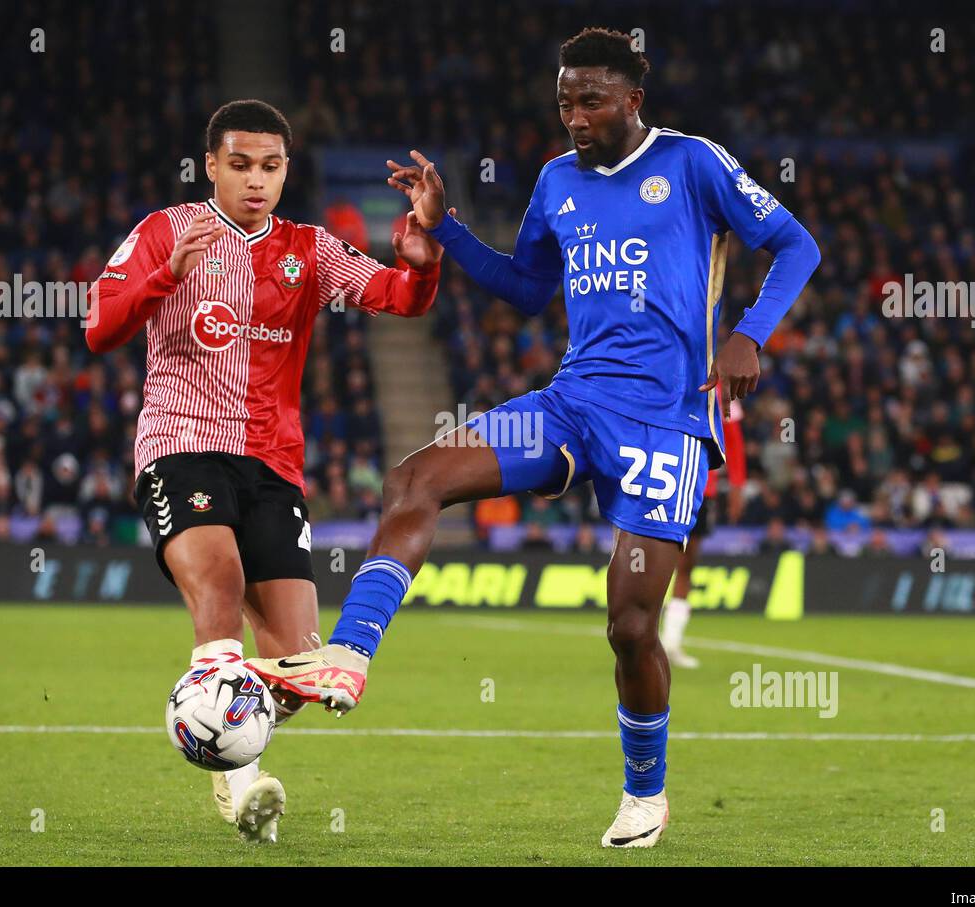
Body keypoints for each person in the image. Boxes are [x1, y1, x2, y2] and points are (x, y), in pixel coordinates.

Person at [249, 28, 819, 848]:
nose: (574, 116)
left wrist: (751, 334)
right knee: (415, 479)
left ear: (633, 100)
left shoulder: (693, 163)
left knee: (629, 625)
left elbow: (798, 243)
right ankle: (349, 653)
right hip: (571, 404)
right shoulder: (557, 180)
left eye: (591, 100)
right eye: (564, 102)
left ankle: (645, 794)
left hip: (667, 419)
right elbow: (524, 287)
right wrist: (443, 229)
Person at [85, 99, 443, 842]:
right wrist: (160, 282)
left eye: (271, 167)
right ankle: (244, 784)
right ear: (211, 164)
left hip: (273, 466)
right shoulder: (165, 231)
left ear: (286, 172)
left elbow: (398, 298)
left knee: (296, 669)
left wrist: (423, 259)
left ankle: (222, 739)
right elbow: (98, 326)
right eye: (240, 164)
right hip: (182, 444)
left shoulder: (308, 249)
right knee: (218, 585)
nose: (256, 180)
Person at [659, 398, 745, 668]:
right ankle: (643, 638)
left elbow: (733, 440)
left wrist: (737, 487)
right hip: (664, 479)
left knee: (686, 565)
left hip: (700, 488)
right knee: (654, 562)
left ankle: (670, 642)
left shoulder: (724, 386)